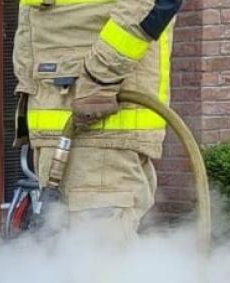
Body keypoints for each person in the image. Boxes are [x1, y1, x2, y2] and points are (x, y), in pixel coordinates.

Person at [13, 0, 182, 240]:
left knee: (97, 254)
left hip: (96, 129)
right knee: (72, 250)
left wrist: (99, 77)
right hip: (69, 123)